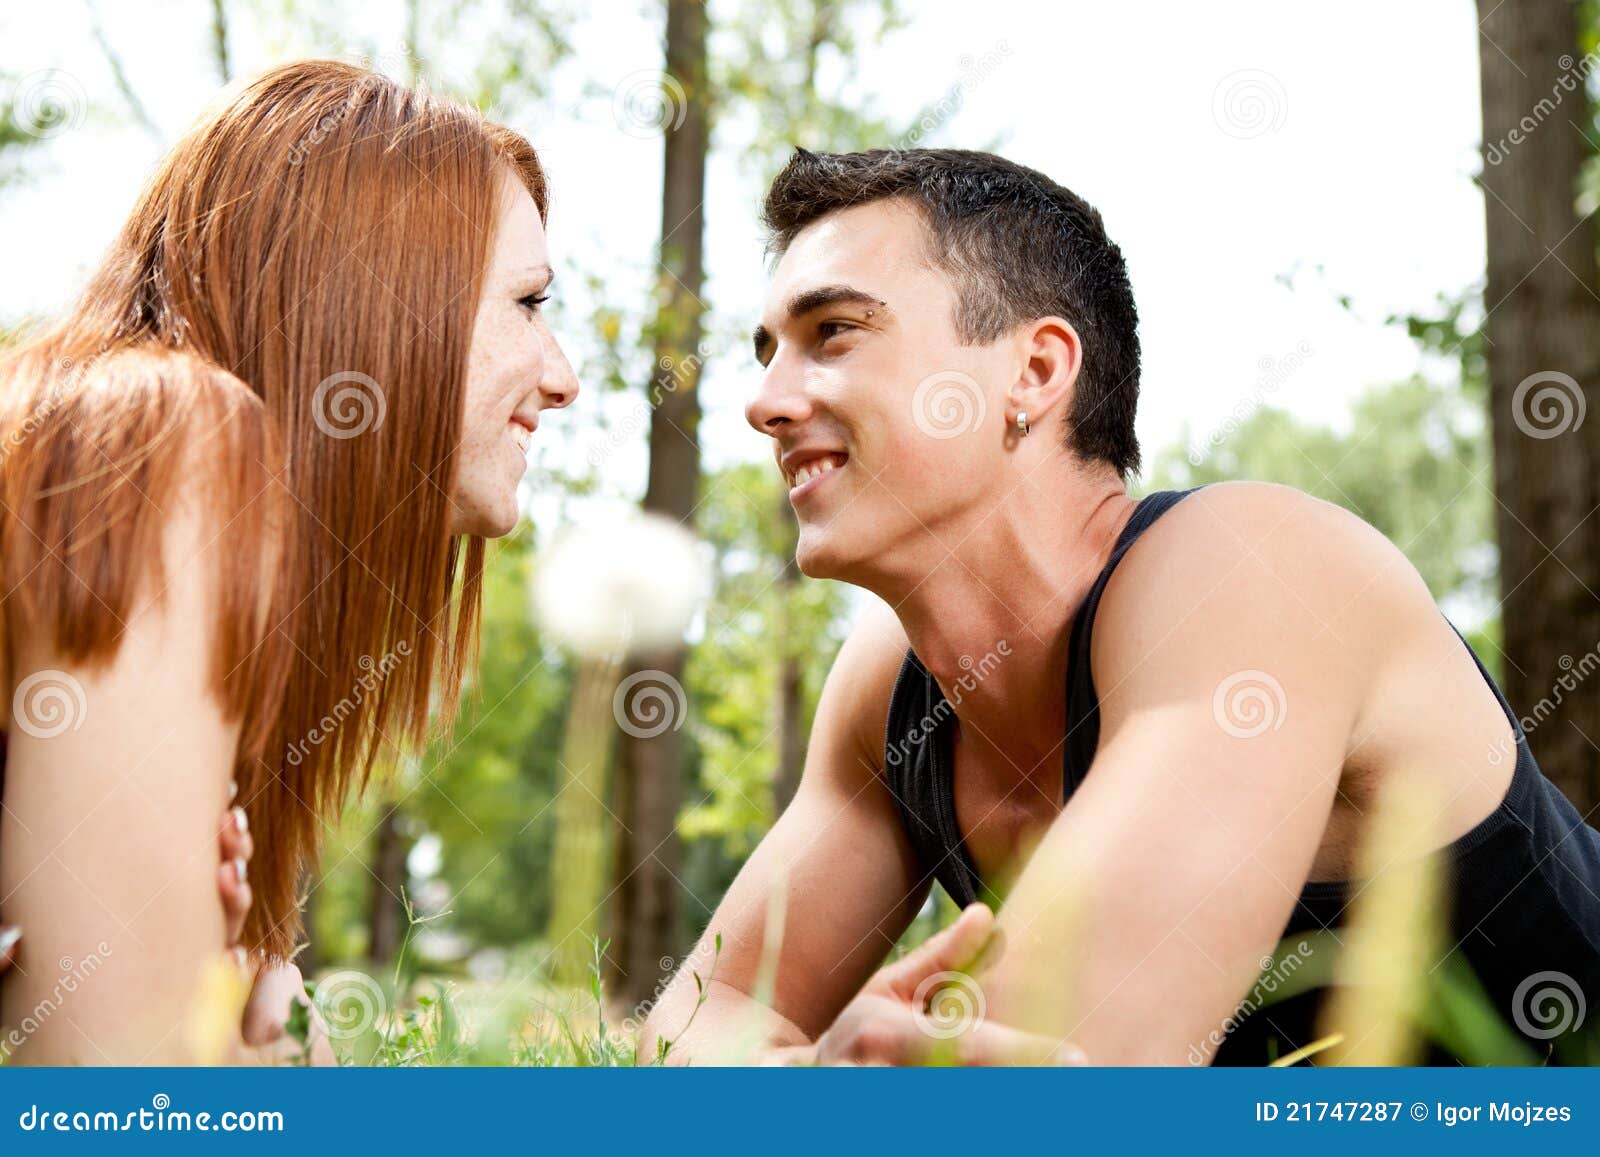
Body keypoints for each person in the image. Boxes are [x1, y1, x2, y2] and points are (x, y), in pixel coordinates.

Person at [640, 147, 1600, 1065]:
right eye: (766, 352)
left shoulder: (1251, 574)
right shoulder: (889, 690)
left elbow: (1052, 1084)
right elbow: (699, 1020)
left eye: (832, 333)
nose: (764, 402)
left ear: (1036, 371)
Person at [0, 59, 577, 1063]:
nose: (562, 376)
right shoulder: (162, 437)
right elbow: (122, 1105)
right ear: (382, 298)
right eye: (528, 303)